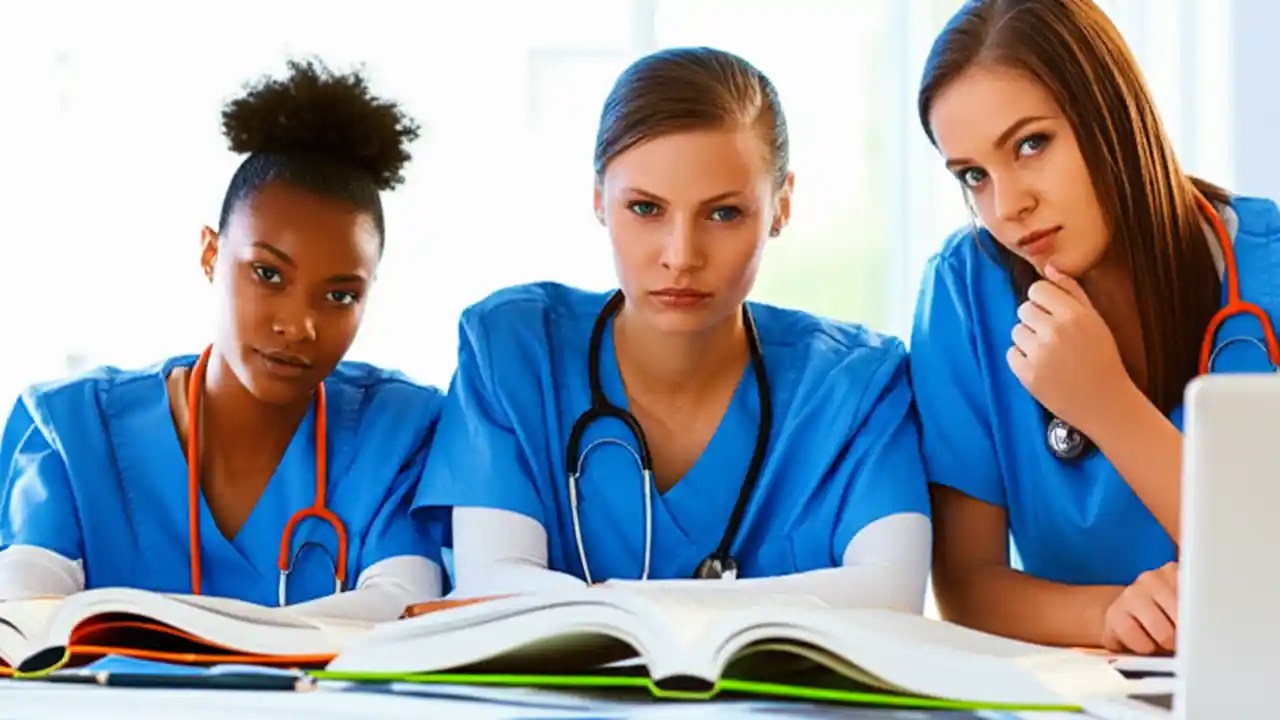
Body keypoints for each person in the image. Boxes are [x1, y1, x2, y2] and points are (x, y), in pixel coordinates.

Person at [411, 47, 931, 610]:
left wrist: (609, 602)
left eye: (723, 213)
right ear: (598, 200)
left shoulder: (855, 386)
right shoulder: (512, 351)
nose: (681, 256)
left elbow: (891, 593)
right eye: (645, 209)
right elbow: (491, 581)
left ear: (781, 206)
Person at [0, 59, 447, 620]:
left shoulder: (402, 433)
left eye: (339, 296)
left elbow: (405, 604)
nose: (298, 325)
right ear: (211, 254)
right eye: (268, 273)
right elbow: (24, 611)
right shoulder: (73, 429)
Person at [910, 0, 1280, 654]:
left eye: (1031, 145)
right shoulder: (964, 291)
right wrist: (1111, 614)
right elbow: (967, 585)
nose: (1008, 204)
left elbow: (1268, 563)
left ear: (1112, 113)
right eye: (973, 175)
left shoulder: (1268, 266)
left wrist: (1106, 405)